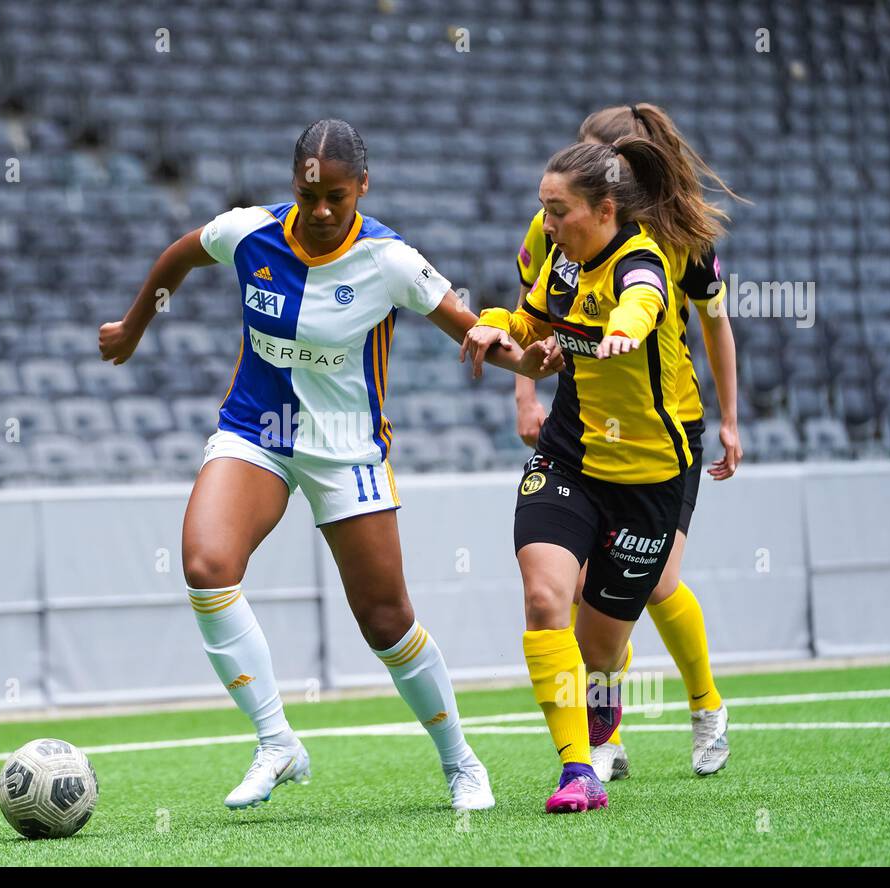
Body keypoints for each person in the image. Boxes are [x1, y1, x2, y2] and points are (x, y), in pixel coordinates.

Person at [101, 118, 536, 812]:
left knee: (386, 621)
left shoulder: (391, 261)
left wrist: (529, 360)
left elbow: (471, 330)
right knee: (207, 568)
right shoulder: (249, 233)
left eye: (338, 196)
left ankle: (462, 762)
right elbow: (179, 256)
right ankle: (276, 741)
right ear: (293, 186)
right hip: (258, 433)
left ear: (363, 186)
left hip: (345, 448)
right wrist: (133, 326)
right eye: (310, 197)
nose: (324, 210)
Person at [461, 130, 727, 811]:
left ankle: (662, 702)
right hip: (570, 457)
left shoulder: (642, 261)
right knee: (545, 597)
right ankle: (576, 771)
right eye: (543, 208)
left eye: (558, 211)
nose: (546, 224)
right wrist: (493, 324)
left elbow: (643, 298)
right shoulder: (561, 260)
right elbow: (528, 320)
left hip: (649, 476)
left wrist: (627, 330)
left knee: (599, 655)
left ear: (605, 210)